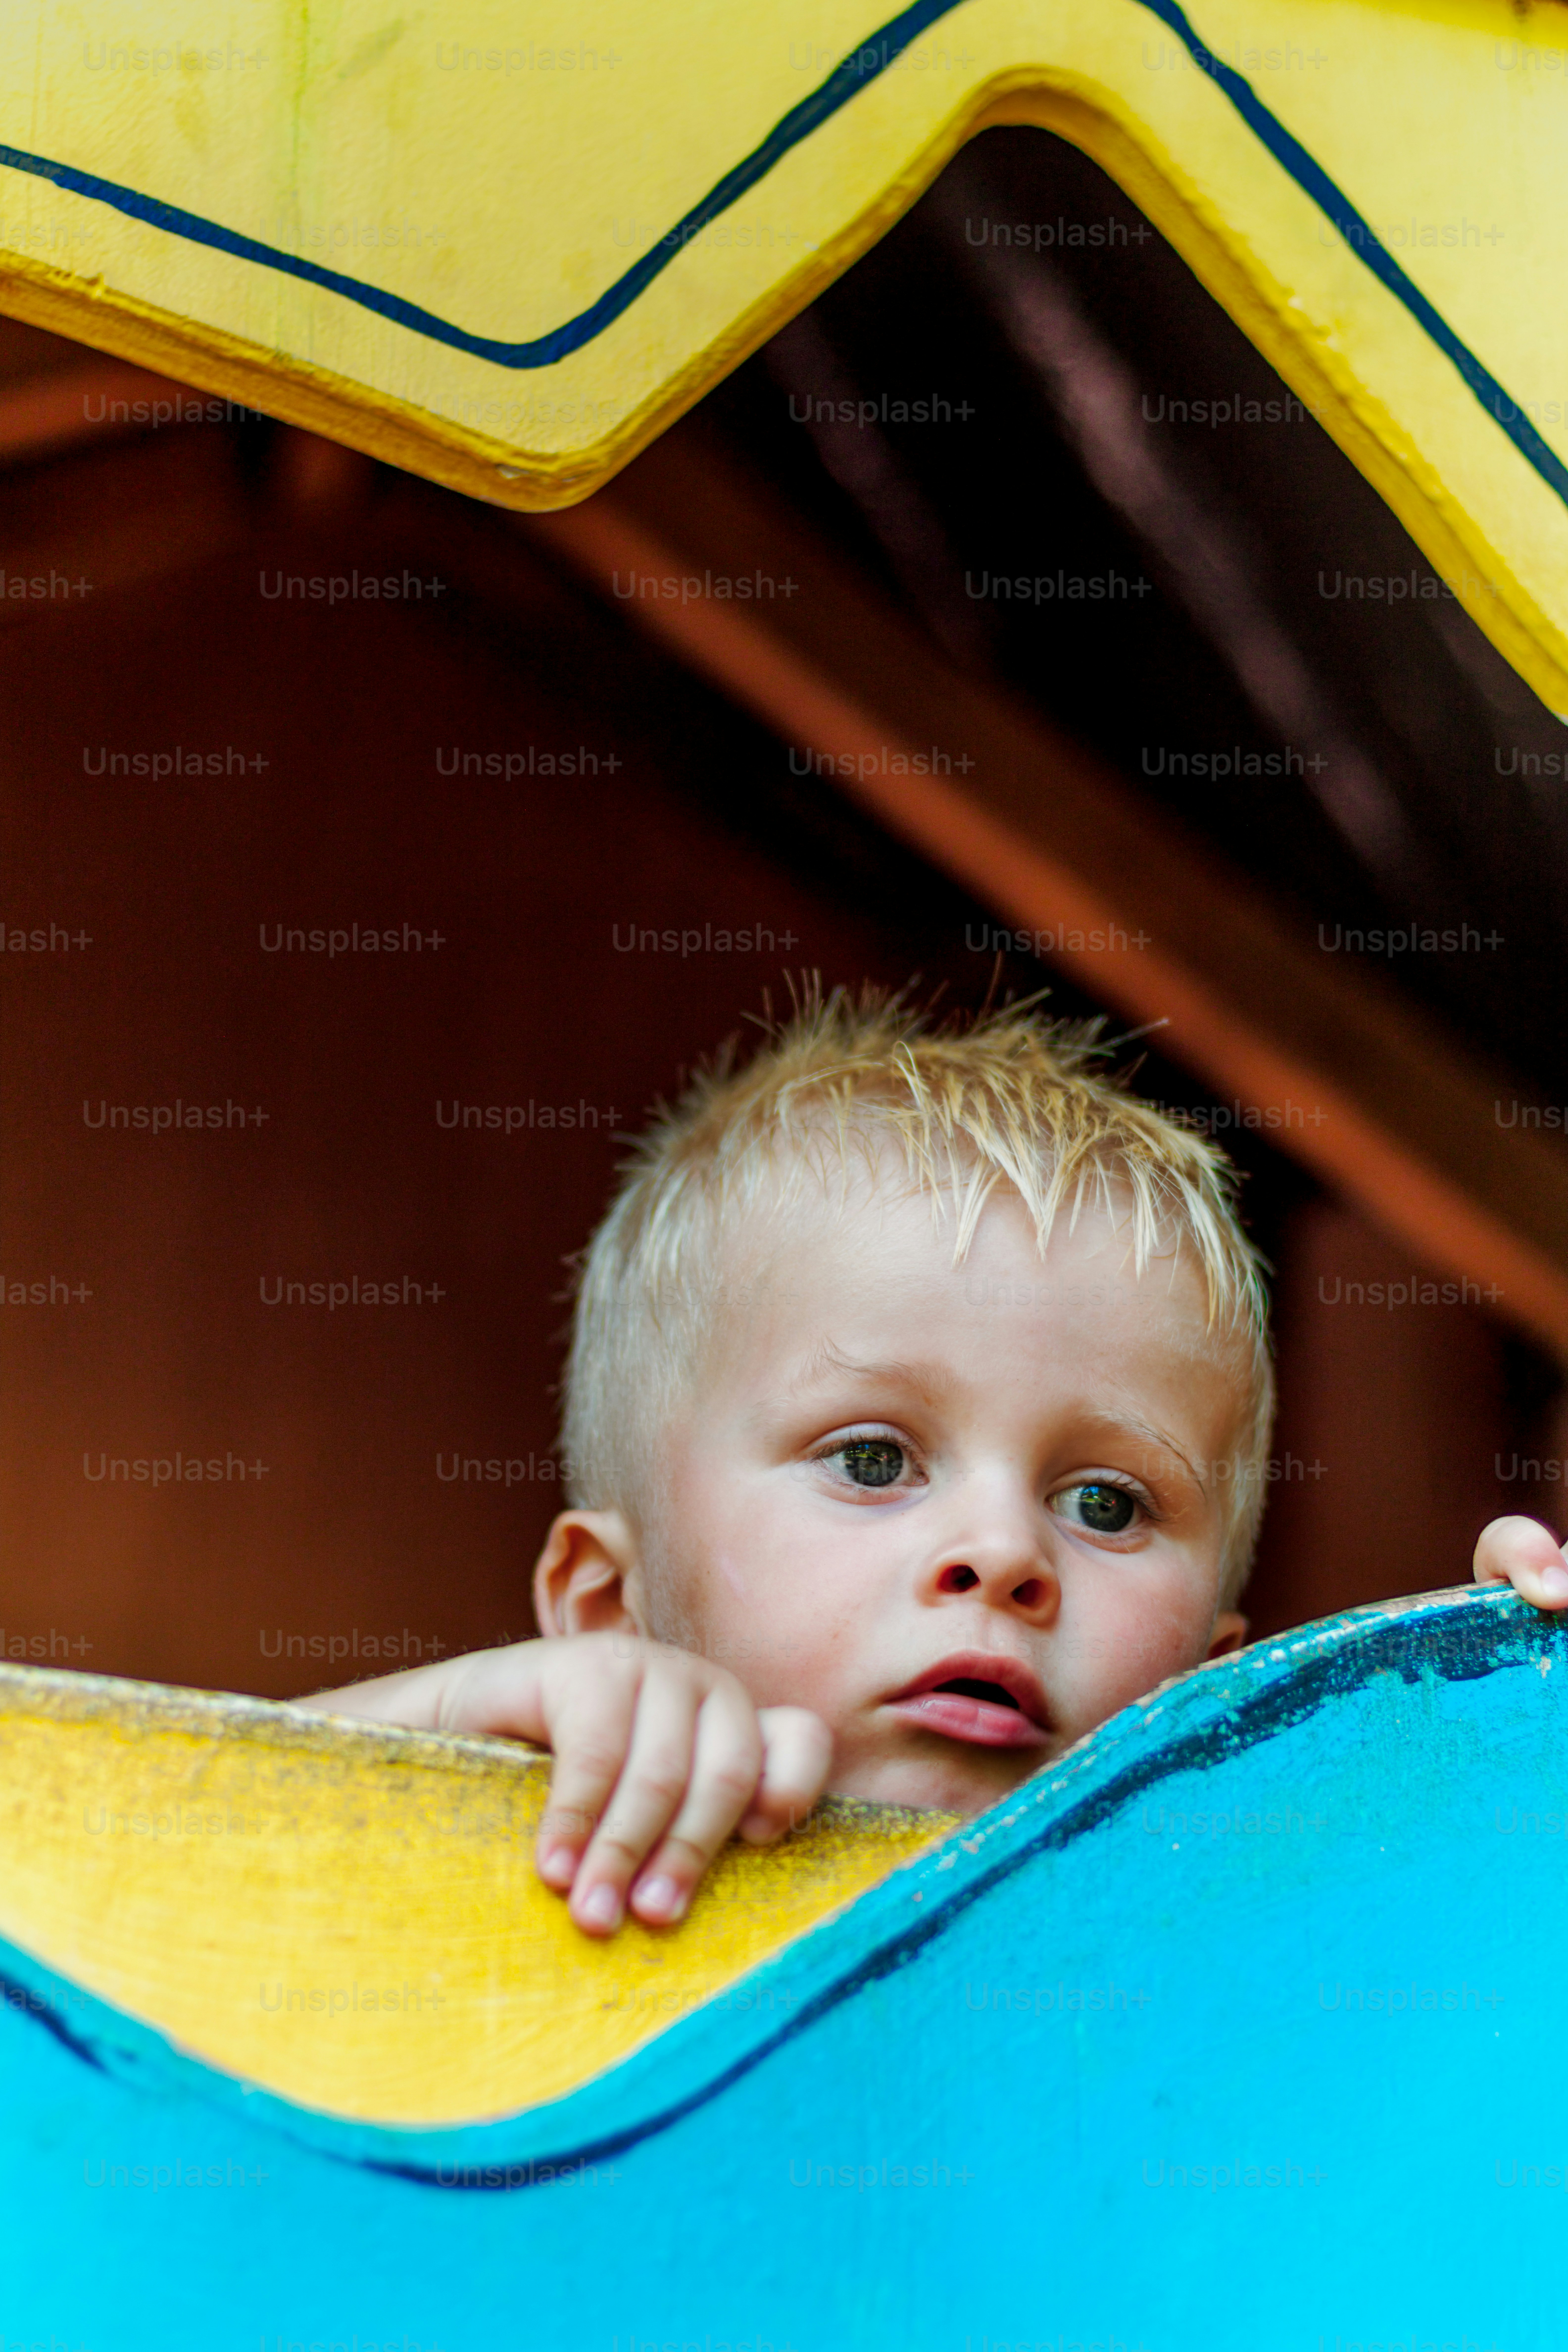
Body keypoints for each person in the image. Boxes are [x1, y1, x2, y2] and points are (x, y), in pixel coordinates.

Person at [304, 991, 1567, 1934]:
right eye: (871, 1460)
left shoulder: (1219, 1957)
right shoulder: (538, 1860)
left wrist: (1503, 1722)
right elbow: (169, 1932)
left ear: (1208, 1682)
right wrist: (430, 1743)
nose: (1005, 1554)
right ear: (603, 1611)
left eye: (1105, 1503)